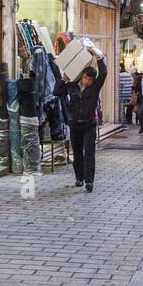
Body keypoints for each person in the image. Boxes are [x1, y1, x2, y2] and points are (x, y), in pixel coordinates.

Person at [55, 47, 107, 192]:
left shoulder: (95, 87)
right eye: (85, 78)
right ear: (81, 76)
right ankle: (79, 177)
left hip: (89, 125)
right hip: (75, 125)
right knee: (77, 152)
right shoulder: (72, 85)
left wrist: (97, 57)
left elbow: (104, 73)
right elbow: (57, 92)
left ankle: (89, 181)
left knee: (89, 152)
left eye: (90, 80)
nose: (87, 82)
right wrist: (63, 79)